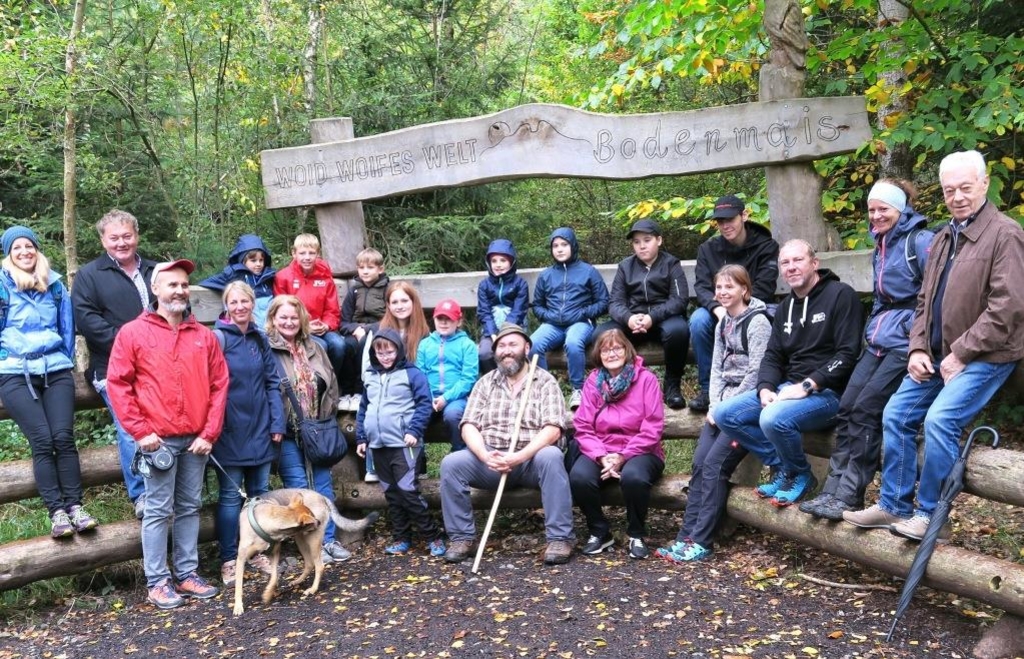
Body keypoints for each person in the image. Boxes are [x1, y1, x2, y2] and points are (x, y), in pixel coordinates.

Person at [844, 150, 1024, 540]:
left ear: (984, 184)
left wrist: (961, 352)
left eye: (965, 188)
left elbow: (1007, 307)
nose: (957, 197)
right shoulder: (944, 236)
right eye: (949, 190)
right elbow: (923, 300)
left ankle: (930, 516)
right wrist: (918, 348)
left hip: (987, 355)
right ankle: (893, 505)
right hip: (939, 355)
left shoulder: (1005, 234)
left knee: (940, 420)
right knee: (895, 414)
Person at [799, 180, 934, 521]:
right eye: (871, 210)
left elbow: (935, 296)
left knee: (866, 410)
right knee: (847, 407)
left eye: (883, 209)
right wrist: (872, 331)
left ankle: (849, 495)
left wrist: (916, 336)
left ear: (900, 208)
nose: (876, 216)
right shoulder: (881, 246)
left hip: (906, 344)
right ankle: (831, 490)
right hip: (878, 341)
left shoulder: (921, 242)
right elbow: (880, 298)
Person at [107, 259, 229, 610]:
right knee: (158, 510)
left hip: (196, 441)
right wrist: (140, 431)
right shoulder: (133, 332)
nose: (179, 290)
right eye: (172, 284)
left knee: (190, 507)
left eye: (184, 285)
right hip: (157, 441)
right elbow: (118, 385)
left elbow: (220, 385)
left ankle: (187, 573)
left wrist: (209, 433)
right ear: (155, 288)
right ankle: (158, 581)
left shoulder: (203, 336)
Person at [714, 240, 864, 507]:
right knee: (726, 413)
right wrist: (765, 388)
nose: (791, 267)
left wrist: (808, 385)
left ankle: (801, 474)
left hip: (829, 394)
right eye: (785, 262)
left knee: (773, 418)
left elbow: (847, 354)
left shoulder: (841, 295)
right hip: (786, 389)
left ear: (814, 263)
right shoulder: (785, 307)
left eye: (798, 260)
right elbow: (773, 356)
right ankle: (787, 467)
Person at [658, 265, 772, 563]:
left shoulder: (758, 322)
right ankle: (684, 537)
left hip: (745, 408)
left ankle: (702, 541)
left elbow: (757, 373)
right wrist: (714, 406)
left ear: (744, 290)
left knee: (715, 466)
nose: (722, 292)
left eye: (729, 287)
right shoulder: (723, 323)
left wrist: (726, 408)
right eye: (719, 287)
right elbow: (717, 370)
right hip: (721, 407)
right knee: (699, 464)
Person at [439, 323, 575, 565]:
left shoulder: (545, 381)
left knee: (552, 456)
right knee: (452, 463)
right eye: (501, 346)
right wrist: (484, 455)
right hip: (491, 461)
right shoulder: (485, 383)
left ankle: (559, 538)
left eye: (513, 344)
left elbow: (553, 429)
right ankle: (462, 538)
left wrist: (520, 456)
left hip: (531, 460)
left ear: (527, 348)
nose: (506, 350)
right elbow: (468, 425)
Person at [0, 226, 97, 539]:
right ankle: (56, 512)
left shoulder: (54, 285)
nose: (24, 252)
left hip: (55, 371)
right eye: (17, 248)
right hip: (15, 372)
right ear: (9, 254)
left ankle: (75, 508)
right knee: (42, 440)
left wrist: (63, 360)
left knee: (64, 438)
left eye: (29, 246)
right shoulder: (2, 285)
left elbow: (66, 327)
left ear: (37, 249)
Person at [71, 209, 156, 518]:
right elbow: (87, 321)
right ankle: (142, 494)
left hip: (158, 368)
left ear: (137, 236)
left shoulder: (155, 270)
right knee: (131, 428)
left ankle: (167, 489)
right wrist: (133, 345)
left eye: (127, 236)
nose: (122, 243)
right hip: (112, 368)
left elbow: (176, 307)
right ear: (103, 240)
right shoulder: (89, 275)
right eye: (114, 237)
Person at [264, 295, 351, 564]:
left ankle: (329, 540)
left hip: (317, 428)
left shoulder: (315, 347)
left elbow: (331, 383)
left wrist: (326, 414)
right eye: (283, 317)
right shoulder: (267, 349)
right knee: (299, 489)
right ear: (273, 319)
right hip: (287, 431)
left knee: (323, 486)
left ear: (302, 319)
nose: (289, 322)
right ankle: (313, 547)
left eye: (294, 317)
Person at [211, 282, 287, 586]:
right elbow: (209, 384)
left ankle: (256, 552)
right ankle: (230, 559)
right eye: (234, 302)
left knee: (259, 494)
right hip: (229, 430)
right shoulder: (218, 338)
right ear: (226, 306)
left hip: (261, 428)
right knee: (231, 497)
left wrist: (277, 423)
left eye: (245, 301)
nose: (240, 307)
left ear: (253, 303)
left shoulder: (259, 339)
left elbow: (272, 382)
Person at [569, 328, 664, 560]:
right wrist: (602, 456)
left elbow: (652, 427)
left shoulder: (647, 380)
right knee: (579, 477)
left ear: (627, 350)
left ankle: (636, 533)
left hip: (641, 449)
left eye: (617, 348)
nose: (611, 354)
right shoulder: (593, 382)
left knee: (634, 477)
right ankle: (600, 531)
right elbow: (583, 425)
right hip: (601, 448)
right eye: (605, 350)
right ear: (598, 355)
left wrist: (623, 456)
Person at [356, 329, 443, 556]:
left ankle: (433, 537)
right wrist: (361, 437)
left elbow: (424, 404)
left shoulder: (412, 374)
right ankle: (401, 538)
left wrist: (414, 430)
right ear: (374, 353)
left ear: (398, 350)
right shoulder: (370, 376)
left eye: (390, 352)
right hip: (377, 445)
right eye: (380, 352)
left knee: (407, 490)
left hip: (405, 444)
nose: (385, 357)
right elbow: (364, 408)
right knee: (392, 494)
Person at [689, 195, 780, 413]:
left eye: (730, 219)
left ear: (744, 216)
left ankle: (760, 385)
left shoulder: (766, 246)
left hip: (753, 309)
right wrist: (719, 309)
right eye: (720, 221)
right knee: (698, 320)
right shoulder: (707, 249)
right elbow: (702, 287)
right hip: (719, 311)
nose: (725, 225)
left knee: (769, 318)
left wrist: (737, 310)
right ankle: (707, 390)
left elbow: (765, 286)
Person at [597, 219, 690, 409]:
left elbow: (679, 299)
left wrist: (652, 317)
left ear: (659, 240)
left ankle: (672, 386)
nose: (642, 246)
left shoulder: (671, 264)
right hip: (633, 320)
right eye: (636, 242)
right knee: (600, 334)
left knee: (679, 331)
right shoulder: (626, 267)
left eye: (647, 240)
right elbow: (615, 302)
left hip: (663, 319)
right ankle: (619, 385)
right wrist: (629, 318)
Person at [530, 227, 610, 411]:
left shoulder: (588, 271)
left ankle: (577, 389)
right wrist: (549, 315)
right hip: (553, 325)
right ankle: (545, 390)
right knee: (533, 344)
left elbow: (604, 301)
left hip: (580, 322)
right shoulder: (546, 275)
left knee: (573, 343)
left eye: (564, 245)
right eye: (555, 246)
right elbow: (537, 305)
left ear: (573, 246)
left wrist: (583, 313)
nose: (559, 249)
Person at [273, 234, 346, 392]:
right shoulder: (283, 277)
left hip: (321, 327)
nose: (307, 257)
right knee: (321, 346)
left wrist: (326, 325)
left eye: (311, 253)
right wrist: (304, 326)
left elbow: (332, 309)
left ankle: (333, 384)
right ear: (294, 253)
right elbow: (281, 309)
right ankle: (317, 387)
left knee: (339, 345)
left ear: (317, 254)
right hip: (297, 329)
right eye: (302, 253)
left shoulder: (324, 276)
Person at [416, 299, 479, 452]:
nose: (444, 323)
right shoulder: (425, 344)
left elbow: (468, 379)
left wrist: (446, 398)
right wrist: (429, 397)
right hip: (429, 396)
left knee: (453, 415)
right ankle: (417, 458)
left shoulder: (467, 345)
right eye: (440, 318)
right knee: (415, 414)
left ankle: (460, 453)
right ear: (434, 320)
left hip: (456, 398)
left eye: (449, 319)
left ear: (458, 321)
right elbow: (419, 375)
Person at [338, 247, 390, 412]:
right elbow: (344, 321)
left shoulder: (387, 289)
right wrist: (355, 329)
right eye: (361, 268)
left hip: (379, 330)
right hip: (355, 331)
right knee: (346, 346)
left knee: (364, 346)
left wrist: (368, 330)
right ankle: (347, 392)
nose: (365, 271)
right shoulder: (354, 290)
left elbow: (390, 318)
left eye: (370, 267)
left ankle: (361, 390)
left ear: (380, 269)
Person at [200, 234, 277, 331]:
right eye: (253, 260)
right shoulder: (234, 275)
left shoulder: (269, 277)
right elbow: (207, 282)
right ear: (243, 261)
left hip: (269, 331)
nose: (258, 264)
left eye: (261, 260)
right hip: (248, 332)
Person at [477, 239, 530, 375]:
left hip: (514, 328)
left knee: (515, 352)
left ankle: (516, 381)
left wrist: (505, 333)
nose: (498, 265)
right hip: (491, 331)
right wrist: (493, 334)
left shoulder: (520, 284)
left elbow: (518, 311)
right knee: (485, 353)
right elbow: (484, 312)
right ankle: (493, 381)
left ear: (511, 262)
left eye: (503, 260)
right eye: (494, 261)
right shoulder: (484, 285)